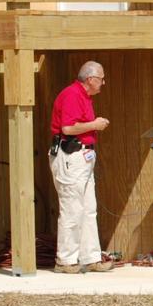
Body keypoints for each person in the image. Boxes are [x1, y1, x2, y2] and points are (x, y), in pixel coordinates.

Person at [49, 60, 112, 273]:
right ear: (91, 79)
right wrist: (95, 125)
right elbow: (67, 128)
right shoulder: (72, 95)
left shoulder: (83, 96)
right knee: (72, 208)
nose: (103, 83)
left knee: (88, 209)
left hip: (83, 158)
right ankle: (65, 260)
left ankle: (90, 256)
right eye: (101, 79)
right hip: (71, 157)